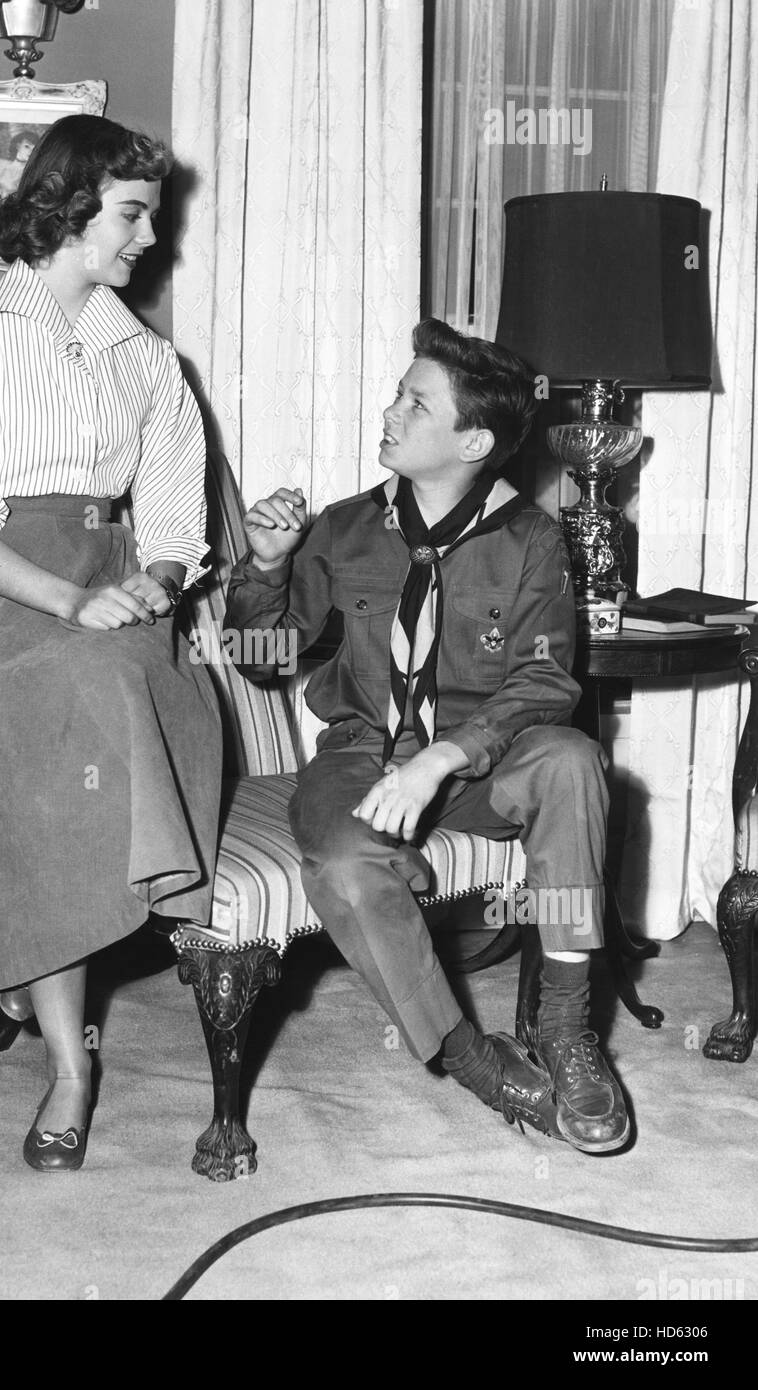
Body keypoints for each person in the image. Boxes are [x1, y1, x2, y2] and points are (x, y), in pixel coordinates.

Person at [0, 115, 221, 1172]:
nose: (145, 240)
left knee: (134, 692)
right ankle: (71, 1063)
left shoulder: (153, 363)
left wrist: (149, 581)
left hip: (113, 593)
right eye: (130, 215)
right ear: (68, 206)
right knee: (62, 712)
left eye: (151, 218)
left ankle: (39, 973)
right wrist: (68, 605)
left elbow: (174, 529)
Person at [224, 318, 630, 1154]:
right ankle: (472, 1056)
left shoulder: (532, 540)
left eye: (416, 401)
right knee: (340, 861)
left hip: (479, 766)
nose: (390, 410)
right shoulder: (341, 528)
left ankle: (565, 1023)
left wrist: (448, 755)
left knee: (573, 761)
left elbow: (548, 679)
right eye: (397, 393)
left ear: (474, 439)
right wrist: (265, 566)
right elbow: (263, 657)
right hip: (362, 753)